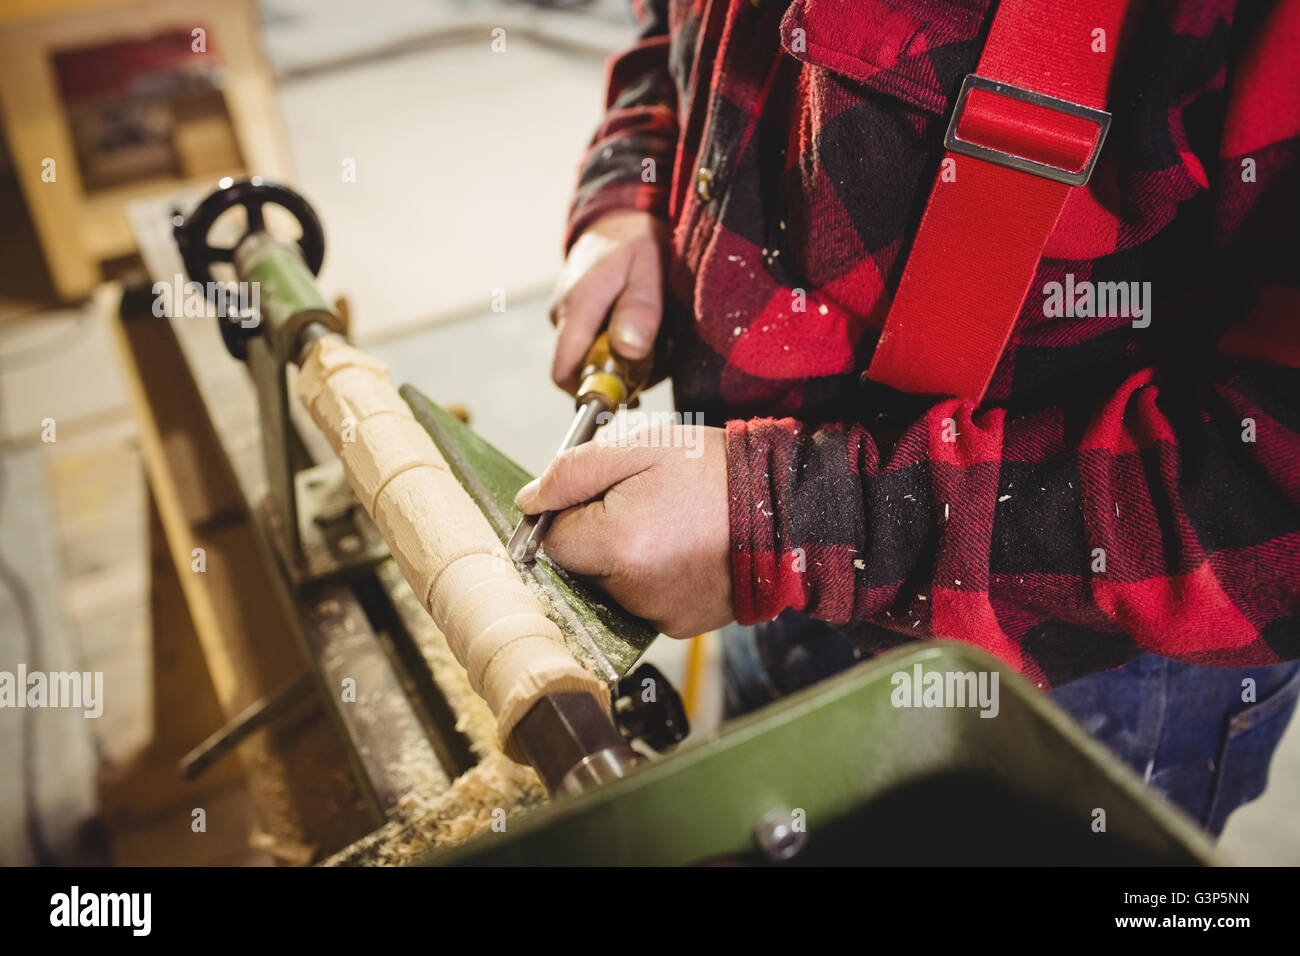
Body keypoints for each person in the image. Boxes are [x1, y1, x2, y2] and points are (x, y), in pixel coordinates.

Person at [512, 0, 1300, 835]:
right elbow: (674, 26)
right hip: (740, 550)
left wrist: (789, 520)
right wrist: (631, 186)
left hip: (1064, 667)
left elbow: (1275, 505)